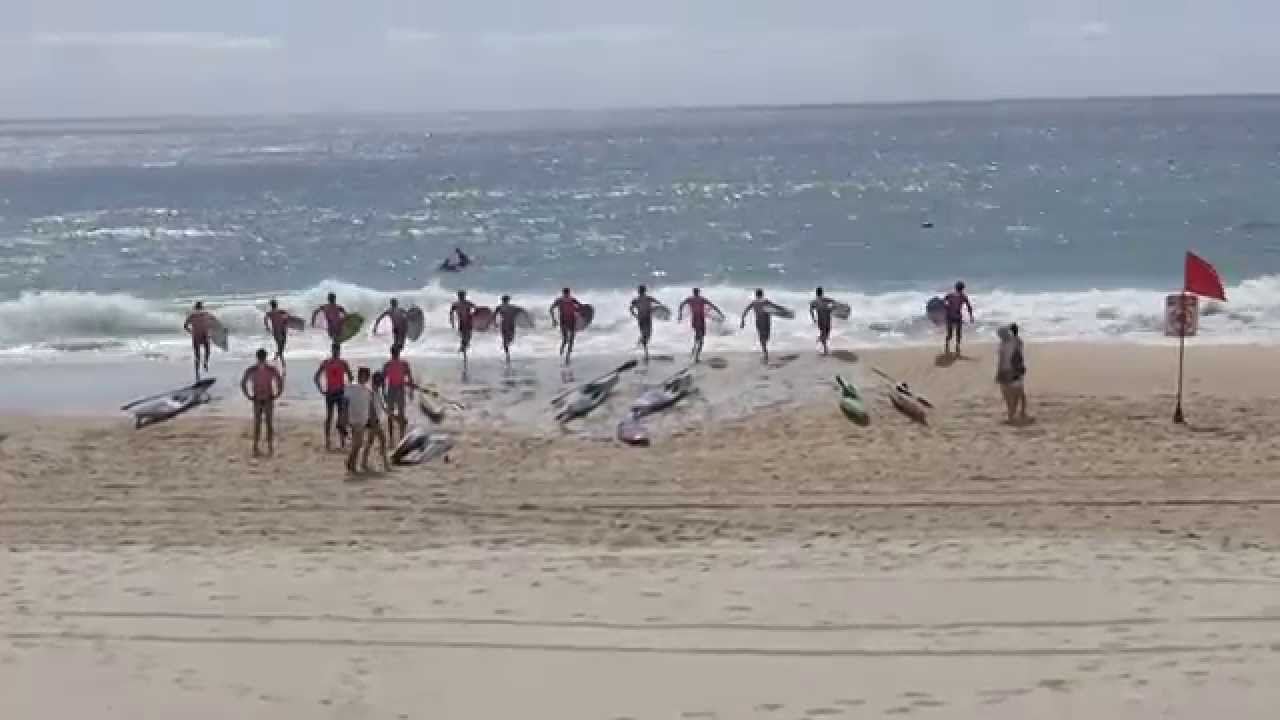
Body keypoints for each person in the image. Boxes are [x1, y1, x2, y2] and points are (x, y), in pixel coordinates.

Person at [240, 348, 283, 457]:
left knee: (260, 424)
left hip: (261, 398)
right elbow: (280, 382)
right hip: (264, 398)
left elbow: (243, 383)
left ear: (257, 357)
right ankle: (265, 447)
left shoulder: (253, 369)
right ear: (265, 357)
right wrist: (277, 394)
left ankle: (260, 447)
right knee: (265, 424)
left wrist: (248, 395)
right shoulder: (269, 369)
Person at [313, 343, 353, 450]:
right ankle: (327, 441)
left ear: (339, 351)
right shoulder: (326, 363)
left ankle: (342, 442)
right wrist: (321, 389)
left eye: (337, 351)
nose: (336, 352)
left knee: (341, 418)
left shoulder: (343, 363)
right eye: (334, 350)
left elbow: (351, 377)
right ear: (332, 350)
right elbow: (316, 377)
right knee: (329, 417)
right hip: (330, 392)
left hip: (340, 392)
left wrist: (348, 389)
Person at [678, 288, 723, 364]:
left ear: (694, 292)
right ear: (698, 292)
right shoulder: (700, 299)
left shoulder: (691, 299)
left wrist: (680, 315)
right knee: (701, 339)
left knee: (698, 337)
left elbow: (681, 305)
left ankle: (694, 351)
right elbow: (713, 306)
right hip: (699, 319)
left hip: (697, 319)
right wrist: (720, 313)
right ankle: (696, 357)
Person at [381, 344, 415, 444]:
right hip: (393, 389)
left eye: (396, 353)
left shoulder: (401, 364)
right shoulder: (391, 364)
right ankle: (395, 437)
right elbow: (383, 380)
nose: (395, 354)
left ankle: (400, 436)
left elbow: (410, 378)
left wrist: (410, 391)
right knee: (392, 414)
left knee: (397, 414)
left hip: (397, 389)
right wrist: (384, 393)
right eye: (395, 352)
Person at [343, 367, 374, 475]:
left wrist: (370, 418)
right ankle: (351, 464)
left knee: (357, 443)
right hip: (353, 418)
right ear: (359, 375)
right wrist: (344, 417)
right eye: (363, 375)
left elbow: (368, 405)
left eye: (366, 376)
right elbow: (345, 402)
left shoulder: (368, 390)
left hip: (363, 418)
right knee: (358, 443)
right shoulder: (351, 387)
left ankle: (350, 463)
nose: (365, 378)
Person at [996, 323, 1028, 423]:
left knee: (1008, 394)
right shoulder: (1016, 341)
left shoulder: (1002, 345)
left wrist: (998, 372)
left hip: (1006, 371)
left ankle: (1012, 414)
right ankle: (1019, 413)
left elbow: (1001, 361)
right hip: (1016, 370)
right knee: (1019, 394)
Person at [629, 284, 666, 364]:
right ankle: (645, 351)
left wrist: (635, 315)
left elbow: (630, 309)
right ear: (645, 290)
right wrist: (658, 309)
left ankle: (644, 348)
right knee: (648, 333)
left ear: (639, 291)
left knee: (644, 333)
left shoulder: (636, 300)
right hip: (646, 318)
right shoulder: (648, 298)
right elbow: (659, 304)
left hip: (641, 319)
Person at [363, 371, 391, 473]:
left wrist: (388, 412)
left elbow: (380, 405)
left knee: (370, 442)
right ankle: (385, 464)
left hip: (374, 420)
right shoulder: (371, 391)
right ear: (378, 381)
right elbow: (370, 407)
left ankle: (364, 463)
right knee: (382, 440)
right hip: (372, 420)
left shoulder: (376, 391)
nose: (383, 383)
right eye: (382, 381)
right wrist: (373, 421)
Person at [549, 287, 582, 366]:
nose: (567, 295)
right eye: (566, 294)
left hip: (570, 321)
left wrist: (553, 319)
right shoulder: (563, 300)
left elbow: (580, 308)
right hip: (565, 321)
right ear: (567, 293)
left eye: (567, 294)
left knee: (570, 339)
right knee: (567, 339)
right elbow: (551, 309)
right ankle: (563, 351)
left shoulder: (567, 300)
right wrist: (553, 320)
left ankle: (567, 355)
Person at [740, 289, 774, 364]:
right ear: (762, 294)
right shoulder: (766, 302)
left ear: (756, 295)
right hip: (766, 322)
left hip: (758, 322)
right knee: (766, 337)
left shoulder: (754, 302)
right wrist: (785, 312)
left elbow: (745, 311)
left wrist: (742, 320)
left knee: (762, 337)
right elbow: (775, 308)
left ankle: (764, 350)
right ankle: (765, 352)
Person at [183, 301, 214, 379]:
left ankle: (197, 373)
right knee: (207, 351)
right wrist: (210, 331)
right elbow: (213, 323)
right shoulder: (206, 314)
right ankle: (205, 363)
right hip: (204, 336)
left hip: (196, 336)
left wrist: (191, 332)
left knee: (197, 356)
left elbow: (185, 326)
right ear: (201, 307)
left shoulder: (192, 316)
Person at [943, 281, 975, 356]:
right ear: (963, 288)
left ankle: (947, 345)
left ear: (955, 287)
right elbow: (969, 307)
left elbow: (943, 302)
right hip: (957, 316)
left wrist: (946, 307)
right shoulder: (963, 296)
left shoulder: (950, 295)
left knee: (950, 333)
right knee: (958, 333)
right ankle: (957, 346)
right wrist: (971, 316)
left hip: (950, 316)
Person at [449, 290, 477, 365]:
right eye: (461, 295)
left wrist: (473, 314)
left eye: (462, 295)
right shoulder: (458, 304)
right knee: (465, 338)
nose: (461, 296)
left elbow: (476, 309)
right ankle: (464, 354)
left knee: (467, 338)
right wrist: (452, 322)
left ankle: (463, 350)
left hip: (466, 322)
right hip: (464, 323)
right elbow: (451, 313)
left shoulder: (462, 304)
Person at [493, 295, 522, 364]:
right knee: (510, 339)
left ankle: (506, 351)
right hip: (510, 325)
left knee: (507, 339)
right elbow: (521, 310)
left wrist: (495, 323)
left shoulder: (500, 307)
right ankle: (507, 354)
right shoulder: (512, 307)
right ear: (508, 300)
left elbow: (493, 315)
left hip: (504, 325)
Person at [263, 299, 292, 367]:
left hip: (277, 331)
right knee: (280, 347)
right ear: (276, 305)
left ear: (271, 305)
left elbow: (265, 319)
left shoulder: (270, 313)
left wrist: (267, 327)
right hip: (282, 331)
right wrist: (286, 323)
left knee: (281, 346)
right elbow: (288, 317)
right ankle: (283, 363)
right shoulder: (281, 311)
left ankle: (276, 356)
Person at [809, 287, 836, 356]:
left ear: (816, 293)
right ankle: (825, 349)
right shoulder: (816, 301)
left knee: (827, 334)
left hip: (825, 319)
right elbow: (834, 302)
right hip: (823, 319)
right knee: (824, 333)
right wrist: (831, 308)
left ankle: (820, 338)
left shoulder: (823, 300)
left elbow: (811, 310)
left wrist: (813, 318)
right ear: (822, 292)